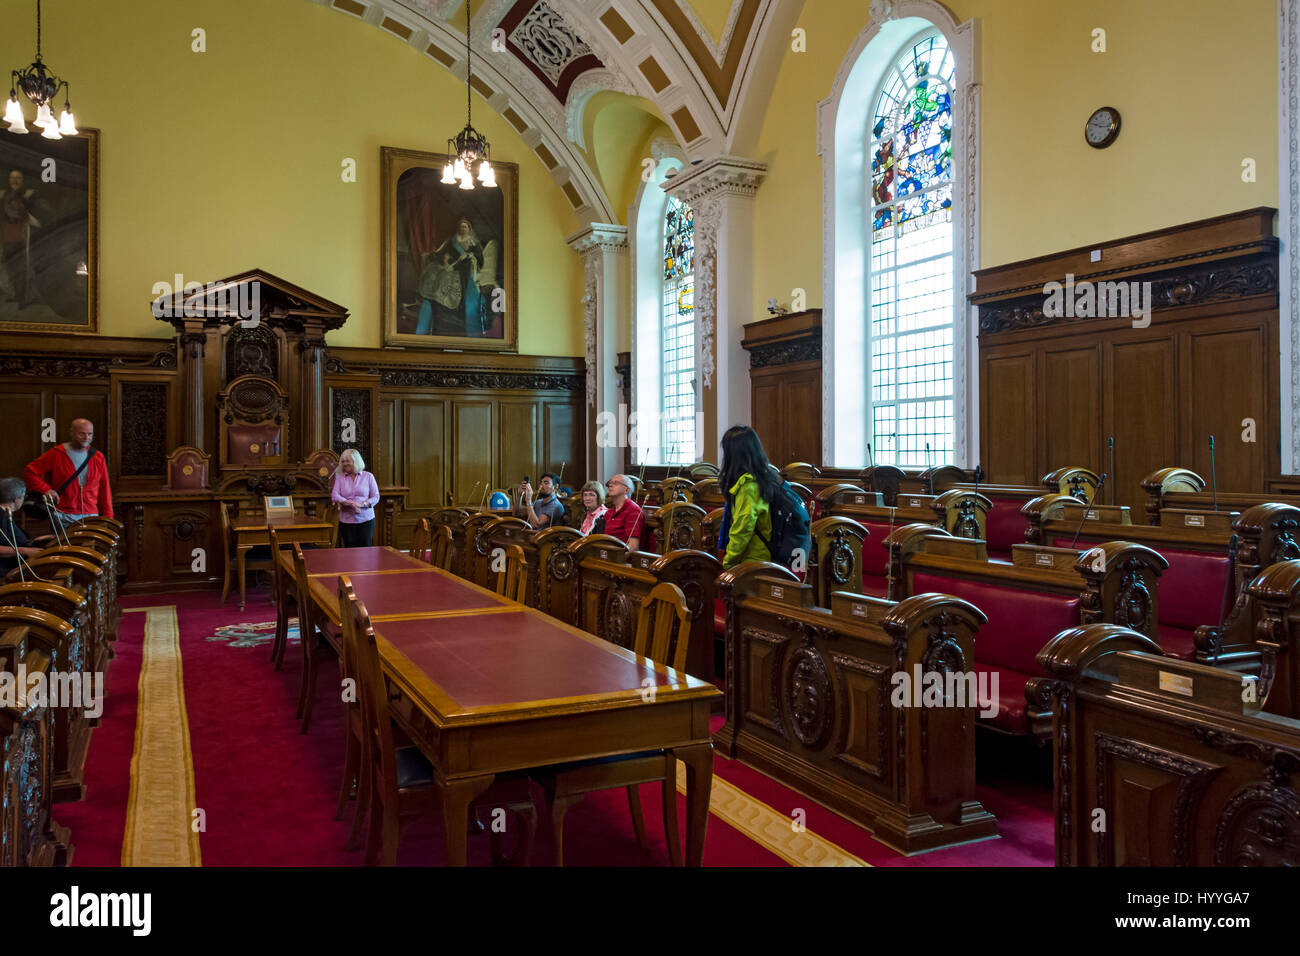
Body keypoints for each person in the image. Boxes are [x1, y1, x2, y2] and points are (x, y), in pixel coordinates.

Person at [24, 419, 113, 528]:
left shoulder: (98, 457)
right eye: (82, 434)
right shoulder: (56, 454)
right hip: (62, 515)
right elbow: (30, 471)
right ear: (71, 433)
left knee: (87, 545)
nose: (87, 438)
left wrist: (108, 517)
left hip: (91, 515)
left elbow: (105, 489)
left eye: (90, 434)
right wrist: (46, 489)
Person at [718, 425, 780, 569]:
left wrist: (727, 564)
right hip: (759, 559)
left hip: (753, 563)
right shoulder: (762, 477)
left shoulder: (748, 486)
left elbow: (742, 530)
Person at [0, 169, 40, 307]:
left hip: (22, 237)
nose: (15, 180)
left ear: (22, 180)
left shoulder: (28, 194)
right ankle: (17, 295)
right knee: (11, 267)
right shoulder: (4, 195)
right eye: (12, 177)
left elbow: (27, 215)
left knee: (23, 268)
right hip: (7, 236)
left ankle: (24, 297)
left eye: (18, 178)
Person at [331, 449, 380, 548]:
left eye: (348, 461)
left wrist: (362, 505)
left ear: (356, 461)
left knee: (365, 550)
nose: (345, 464)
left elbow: (376, 496)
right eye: (343, 461)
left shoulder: (368, 476)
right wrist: (351, 504)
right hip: (346, 520)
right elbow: (334, 495)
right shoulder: (340, 477)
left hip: (366, 519)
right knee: (349, 550)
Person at [0, 477, 46, 578]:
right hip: (8, 567)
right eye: (23, 497)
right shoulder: (1, 515)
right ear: (16, 499)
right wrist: (25, 550)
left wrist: (33, 541)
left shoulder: (6, 513)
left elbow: (12, 540)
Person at [601, 474, 645, 551]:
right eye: (610, 483)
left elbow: (633, 546)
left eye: (616, 483)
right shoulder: (609, 513)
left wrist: (616, 560)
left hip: (621, 559)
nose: (610, 485)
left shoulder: (633, 511)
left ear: (626, 490)